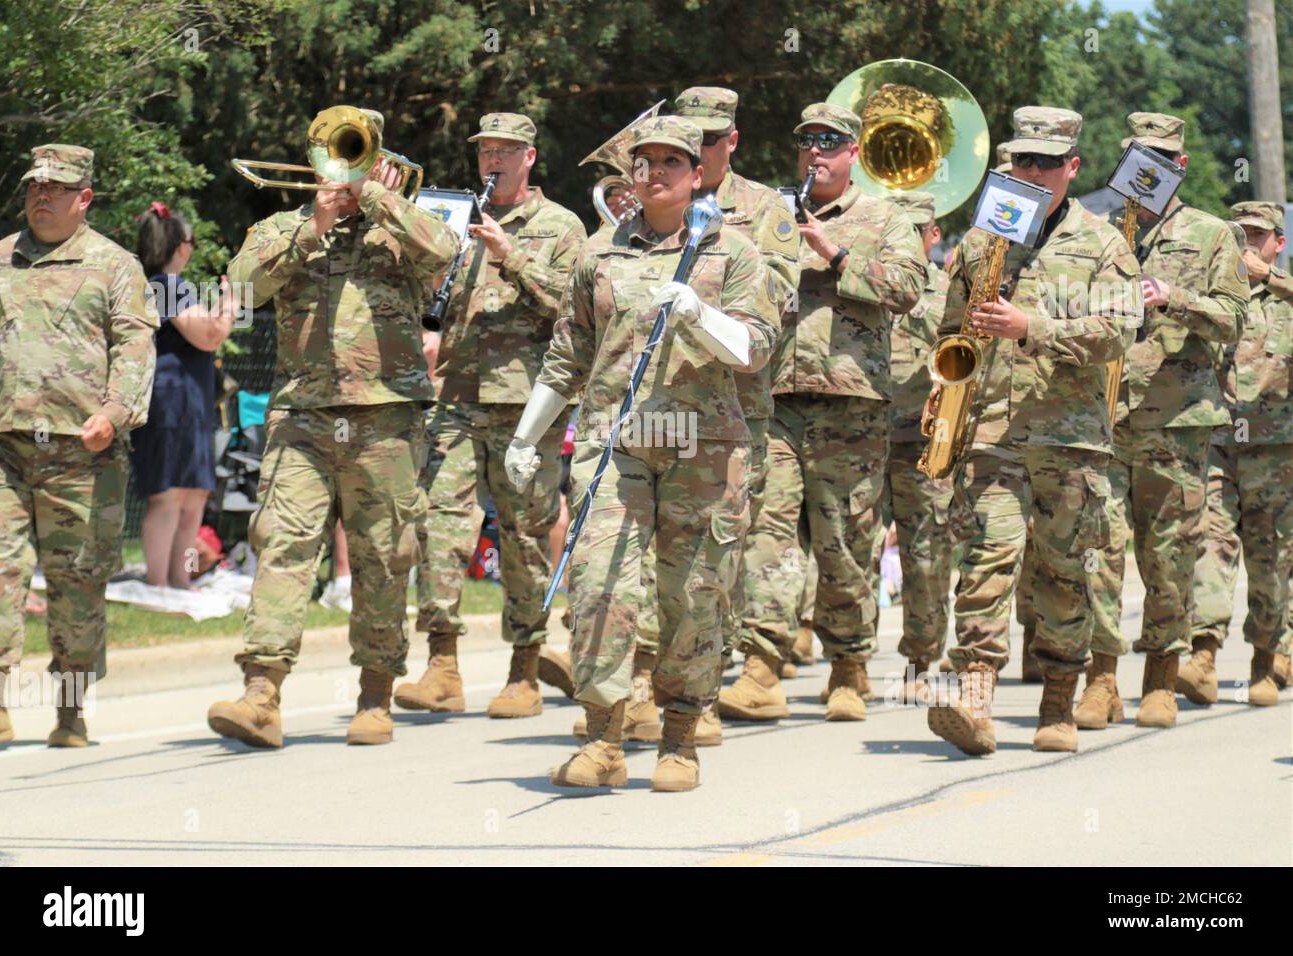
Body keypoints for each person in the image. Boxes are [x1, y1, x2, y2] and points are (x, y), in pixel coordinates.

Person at [505, 116, 777, 791]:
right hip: (615, 442)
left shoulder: (732, 252)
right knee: (600, 582)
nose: (654, 173)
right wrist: (525, 436)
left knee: (693, 593)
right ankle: (603, 738)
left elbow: (756, 348)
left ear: (695, 174)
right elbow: (567, 356)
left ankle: (680, 736)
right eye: (643, 162)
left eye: (670, 162)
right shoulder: (596, 255)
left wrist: (698, 315)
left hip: (702, 446)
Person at [206, 109, 458, 748]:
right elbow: (241, 287)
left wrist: (376, 197)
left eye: (357, 155)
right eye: (337, 155)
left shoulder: (401, 226)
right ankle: (261, 692)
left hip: (388, 419)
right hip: (303, 417)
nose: (343, 168)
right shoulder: (281, 228)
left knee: (384, 555)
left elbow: (445, 251)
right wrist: (314, 225)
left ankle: (375, 695)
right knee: (282, 543)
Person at [924, 107, 1141, 756]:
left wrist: (1034, 329)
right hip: (993, 433)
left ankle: (1057, 703)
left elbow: (1121, 331)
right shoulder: (983, 240)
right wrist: (943, 394)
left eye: (1046, 163)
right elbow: (951, 329)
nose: (1032, 172)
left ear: (1072, 168)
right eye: (1022, 161)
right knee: (986, 561)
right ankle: (975, 702)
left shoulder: (1103, 244)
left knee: (1062, 573)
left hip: (1070, 440)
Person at [722, 102, 926, 724]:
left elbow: (908, 289)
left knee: (844, 544)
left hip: (851, 403)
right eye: (807, 142)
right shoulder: (770, 216)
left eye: (830, 143)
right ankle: (760, 663)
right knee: (768, 529)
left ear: (854, 153)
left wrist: (836, 254)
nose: (817, 153)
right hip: (774, 397)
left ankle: (848, 664)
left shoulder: (885, 217)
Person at [393, 112, 587, 720]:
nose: (492, 161)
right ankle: (442, 663)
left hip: (528, 403)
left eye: (505, 151)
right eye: (485, 152)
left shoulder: (561, 226)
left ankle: (524, 669)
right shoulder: (456, 219)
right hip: (457, 393)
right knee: (437, 523)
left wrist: (512, 257)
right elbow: (430, 303)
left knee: (524, 534)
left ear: (530, 157)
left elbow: (575, 307)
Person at [1078, 113, 1248, 731]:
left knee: (1169, 556)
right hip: (1102, 418)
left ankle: (1160, 677)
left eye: (1158, 159)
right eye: (1135, 159)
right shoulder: (1096, 232)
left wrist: (1172, 296)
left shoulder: (1211, 235)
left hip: (1175, 423)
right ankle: (1100, 679)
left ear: (1178, 167)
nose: (1145, 170)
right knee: (1099, 550)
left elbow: (1234, 318)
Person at [0, 144, 158, 746]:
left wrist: (115, 414)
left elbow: (136, 349)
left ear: (83, 198)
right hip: (3, 449)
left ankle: (69, 708)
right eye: (34, 185)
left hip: (84, 456)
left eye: (55, 188)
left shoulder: (115, 266)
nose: (41, 196)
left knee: (77, 587)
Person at [1182, 201, 1291, 707]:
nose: (1247, 244)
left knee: (1270, 560)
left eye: (1257, 235)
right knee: (1209, 545)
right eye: (1239, 235)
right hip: (1219, 440)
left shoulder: (1285, 297)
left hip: (1274, 449)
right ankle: (1203, 653)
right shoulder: (1218, 294)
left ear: (1278, 242)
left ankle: (1266, 657)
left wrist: (1272, 278)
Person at [130, 202, 234, 590]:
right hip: (169, 402)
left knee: (193, 495)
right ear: (182, 246)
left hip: (189, 402)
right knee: (170, 495)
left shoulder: (168, 286)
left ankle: (179, 579)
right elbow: (208, 335)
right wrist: (228, 303)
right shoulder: (165, 285)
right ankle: (158, 582)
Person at [883, 190, 954, 703]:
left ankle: (920, 660)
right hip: (860, 429)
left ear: (933, 236)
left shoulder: (951, 290)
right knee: (841, 544)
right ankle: (847, 665)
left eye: (914, 232)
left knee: (926, 550)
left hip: (924, 435)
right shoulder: (866, 280)